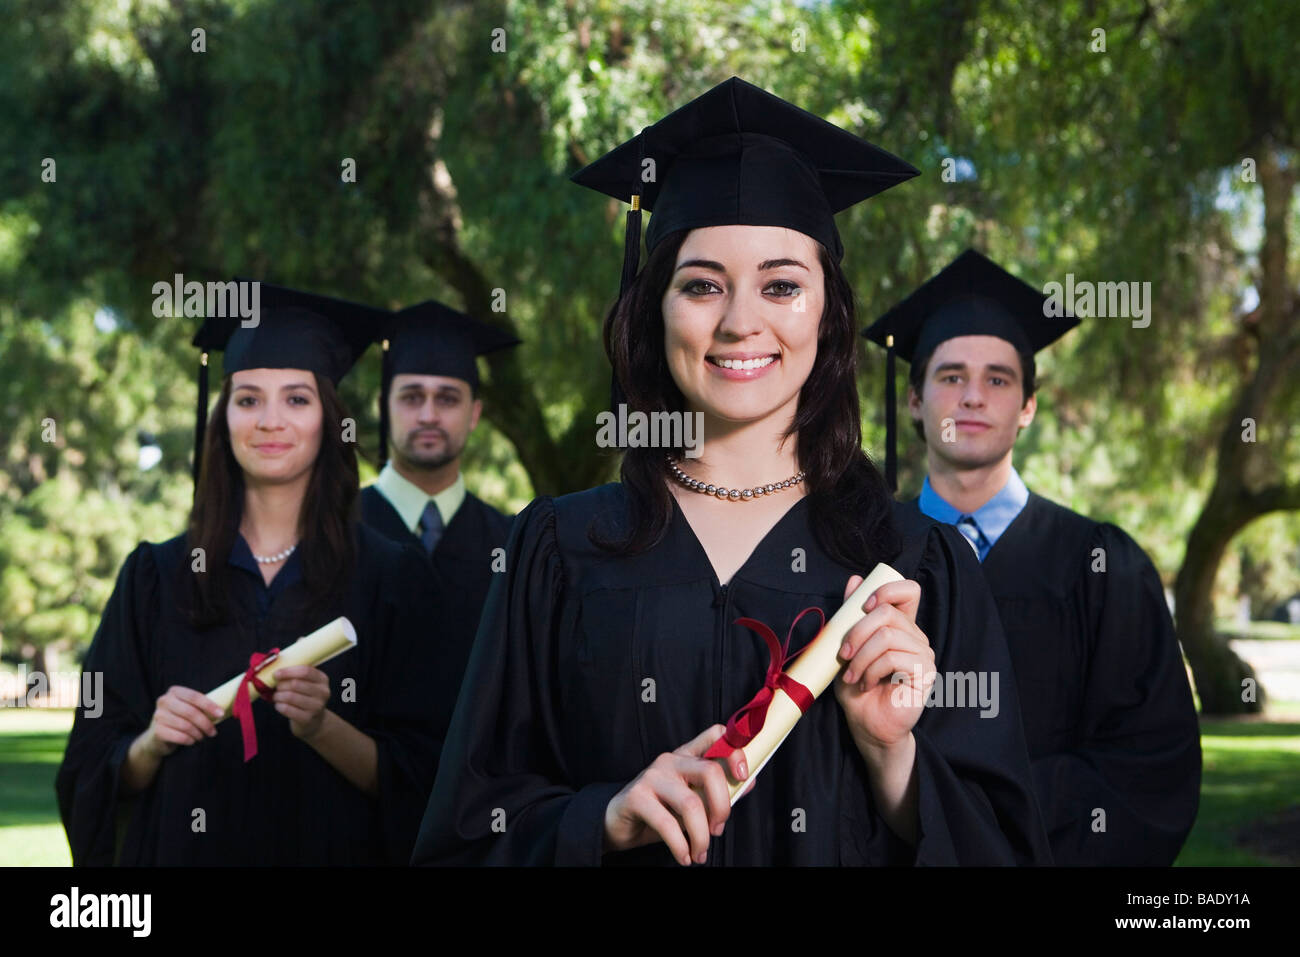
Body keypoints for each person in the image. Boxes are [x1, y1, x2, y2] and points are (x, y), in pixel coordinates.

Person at [413, 78, 1051, 866]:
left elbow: (1010, 851)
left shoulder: (914, 568)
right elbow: (463, 837)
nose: (740, 320)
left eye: (781, 284)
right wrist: (602, 819)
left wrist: (894, 756)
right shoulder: (558, 550)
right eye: (702, 284)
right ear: (656, 308)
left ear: (828, 312)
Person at [55, 282, 445, 865]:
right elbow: (89, 771)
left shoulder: (393, 579)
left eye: (296, 399)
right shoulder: (155, 579)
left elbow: (432, 783)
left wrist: (321, 727)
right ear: (223, 419)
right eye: (247, 399)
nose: (268, 422)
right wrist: (152, 742)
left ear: (328, 419)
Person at [862, 248, 1202, 864]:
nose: (972, 397)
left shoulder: (1102, 568)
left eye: (997, 379)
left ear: (1027, 408)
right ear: (914, 401)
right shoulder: (864, 558)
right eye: (949, 376)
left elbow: (1148, 765)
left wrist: (980, 818)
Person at [360, 301, 519, 745]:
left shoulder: (512, 545)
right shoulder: (330, 531)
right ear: (383, 407)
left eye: (447, 398)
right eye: (412, 397)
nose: (428, 414)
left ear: (474, 413)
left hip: (478, 801)